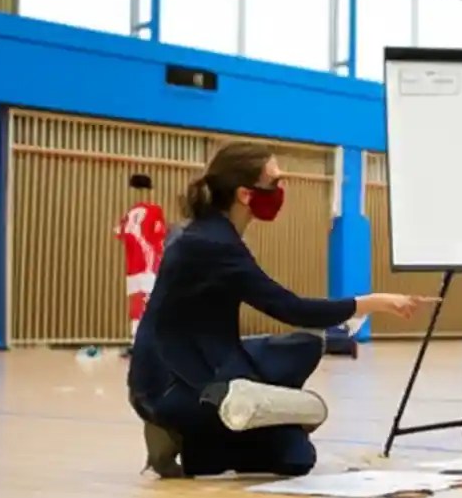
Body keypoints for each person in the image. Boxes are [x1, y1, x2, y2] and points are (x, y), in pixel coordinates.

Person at [128, 141, 433, 478]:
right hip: (172, 384)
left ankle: (207, 443)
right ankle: (185, 435)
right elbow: (291, 308)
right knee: (296, 456)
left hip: (204, 358)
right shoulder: (211, 245)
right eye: (274, 181)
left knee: (303, 349)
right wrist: (374, 302)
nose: (281, 190)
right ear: (245, 194)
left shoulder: (212, 235)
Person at [115, 174, 167, 356]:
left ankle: (144, 343)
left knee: (140, 304)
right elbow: (160, 237)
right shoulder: (150, 211)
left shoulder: (132, 213)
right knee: (142, 304)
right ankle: (140, 342)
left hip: (139, 265)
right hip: (145, 265)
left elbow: (121, 234)